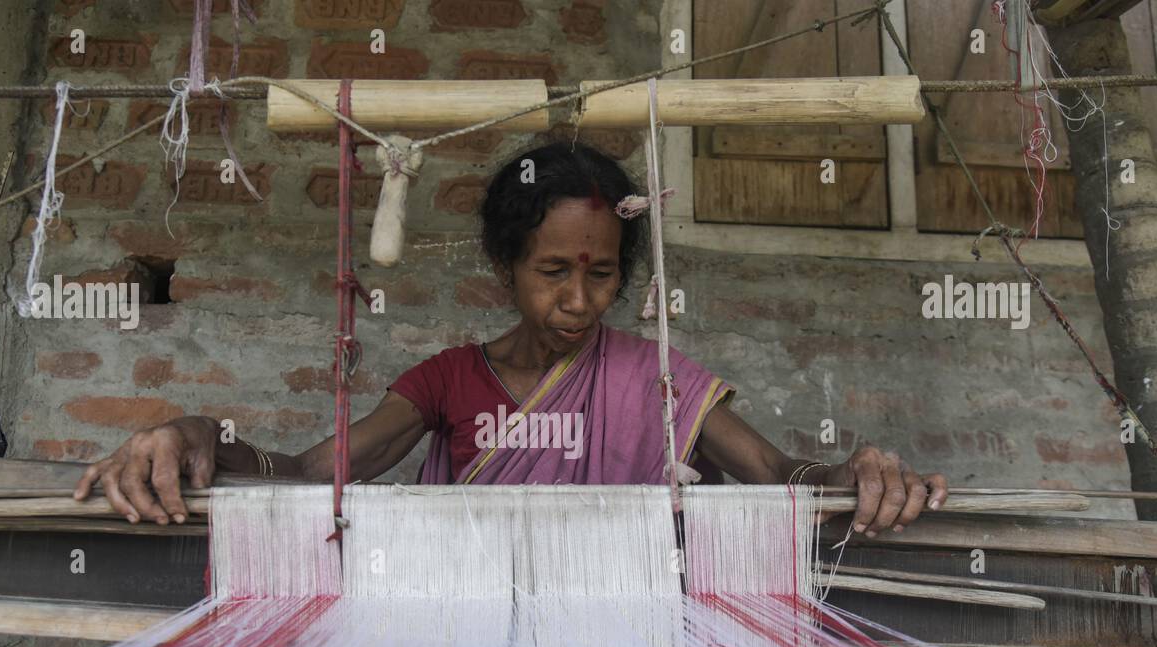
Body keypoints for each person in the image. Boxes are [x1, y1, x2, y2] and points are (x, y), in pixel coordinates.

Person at [74, 142, 948, 534]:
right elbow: (311, 473)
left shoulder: (656, 375)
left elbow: (776, 475)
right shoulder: (448, 382)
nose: (578, 299)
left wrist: (852, 472)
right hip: (466, 637)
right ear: (505, 265)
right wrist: (194, 433)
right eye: (552, 272)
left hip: (619, 646)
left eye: (600, 275)